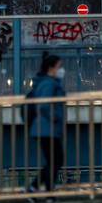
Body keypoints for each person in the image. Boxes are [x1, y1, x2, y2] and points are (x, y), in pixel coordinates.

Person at [27, 54, 66, 194]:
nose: (61, 70)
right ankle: (37, 188)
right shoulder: (48, 83)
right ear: (51, 68)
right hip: (46, 129)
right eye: (59, 66)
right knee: (57, 160)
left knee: (53, 161)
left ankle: (45, 191)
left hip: (45, 129)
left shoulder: (46, 82)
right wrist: (54, 117)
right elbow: (43, 105)